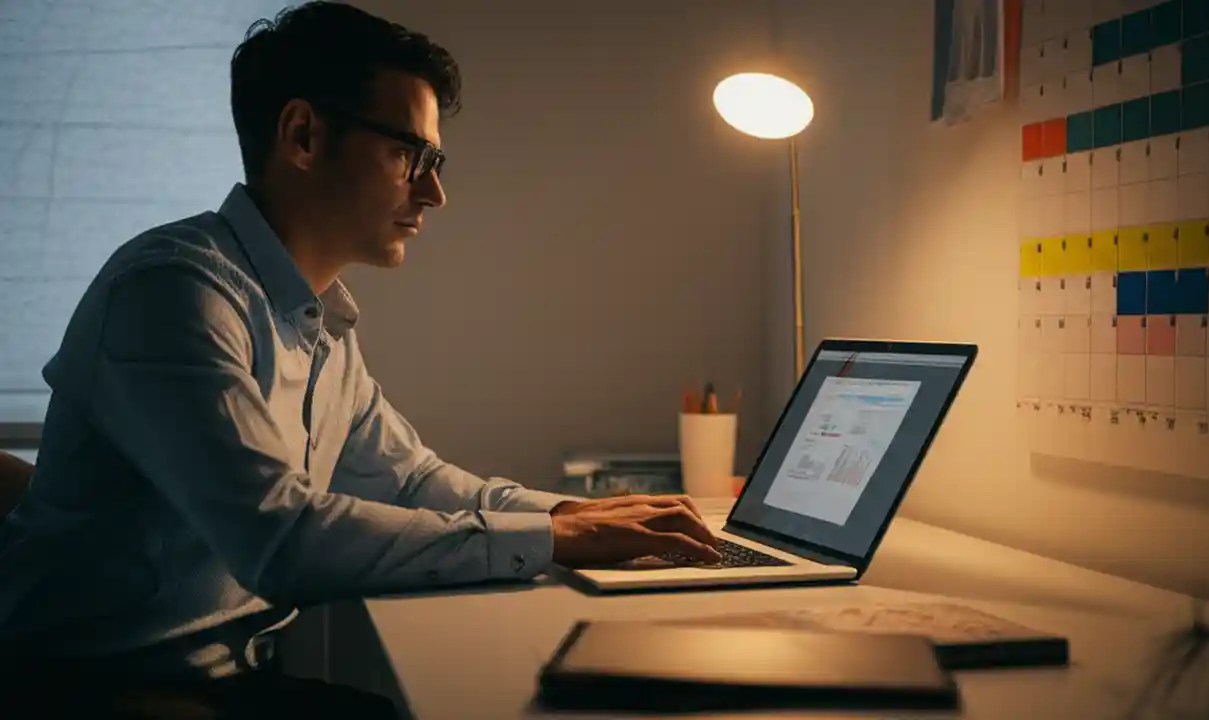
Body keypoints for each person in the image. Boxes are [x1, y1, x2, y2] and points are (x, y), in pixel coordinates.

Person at [0, 2, 721, 716]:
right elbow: (280, 538)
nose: (434, 193)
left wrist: (573, 514)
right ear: (304, 135)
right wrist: (551, 537)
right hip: (91, 689)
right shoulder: (172, 293)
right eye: (412, 155)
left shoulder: (321, 323)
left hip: (219, 678)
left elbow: (410, 481)